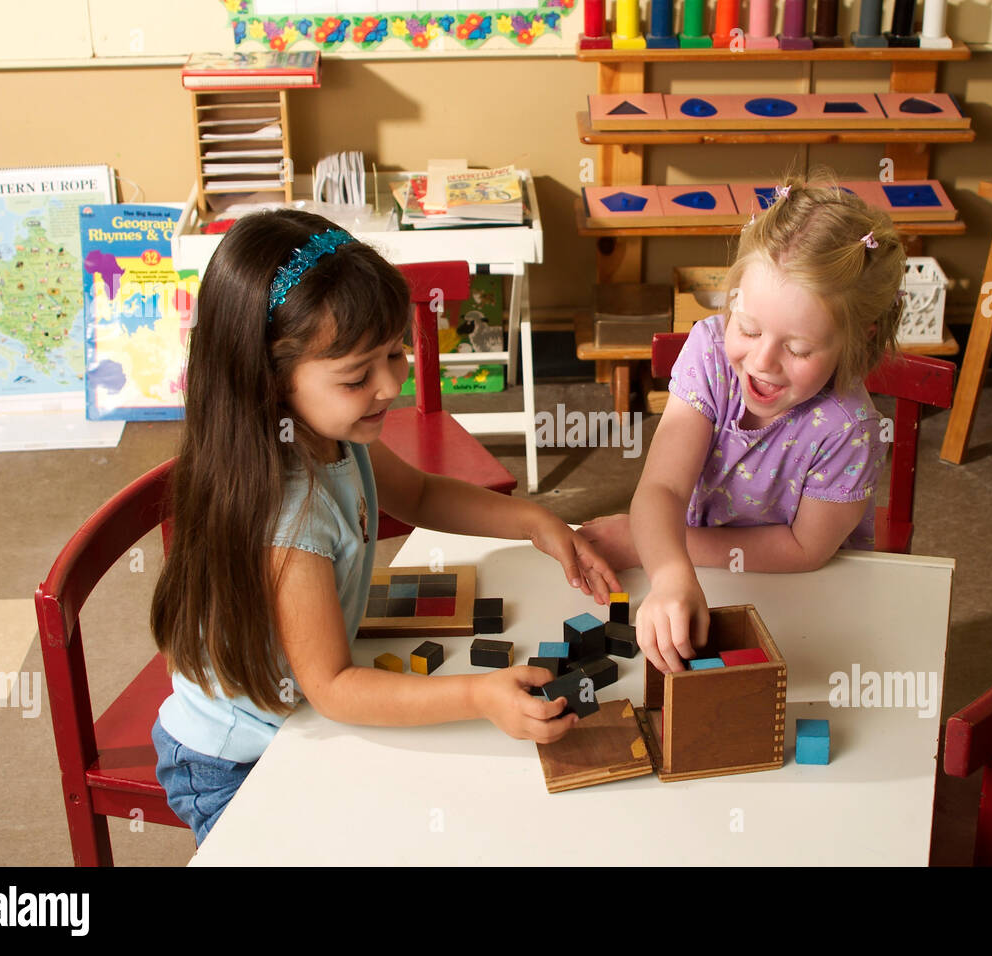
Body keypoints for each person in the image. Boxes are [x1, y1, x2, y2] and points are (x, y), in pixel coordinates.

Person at [149, 210, 620, 844]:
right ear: (270, 382)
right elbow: (337, 689)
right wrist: (480, 696)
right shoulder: (289, 516)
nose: (393, 384)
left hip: (300, 716)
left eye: (396, 352)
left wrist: (536, 521)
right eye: (356, 376)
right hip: (234, 763)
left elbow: (421, 493)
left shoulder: (332, 434)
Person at [579, 174, 904, 673]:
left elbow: (803, 550)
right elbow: (662, 487)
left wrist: (661, 548)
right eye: (748, 327)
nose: (763, 362)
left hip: (811, 595)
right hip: (702, 573)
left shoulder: (850, 428)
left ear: (858, 340)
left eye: (797, 349)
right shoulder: (709, 350)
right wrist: (667, 573)